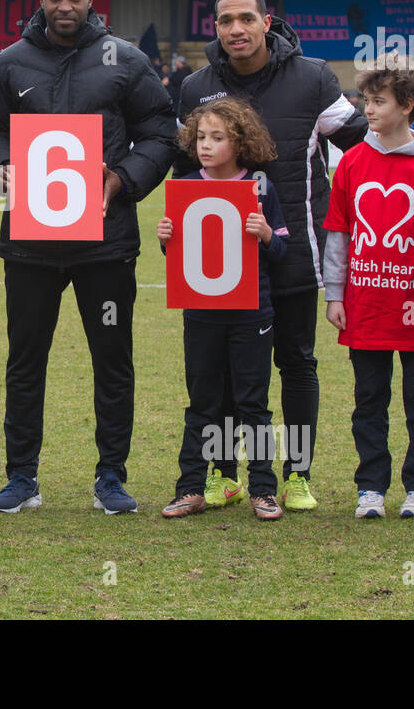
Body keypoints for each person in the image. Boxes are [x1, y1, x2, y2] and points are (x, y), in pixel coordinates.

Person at [0, 0, 175, 514]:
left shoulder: (127, 60)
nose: (64, 7)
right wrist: (1, 164)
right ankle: (22, 477)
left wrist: (123, 179)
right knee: (25, 360)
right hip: (30, 246)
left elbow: (161, 132)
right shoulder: (10, 63)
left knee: (112, 358)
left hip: (105, 246)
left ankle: (111, 477)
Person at [176, 0, 367, 511]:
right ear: (214, 27)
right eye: (224, 21)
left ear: (266, 21)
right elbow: (184, 171)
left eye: (245, 18)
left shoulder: (312, 77)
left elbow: (362, 144)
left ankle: (297, 475)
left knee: (297, 362)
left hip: (295, 252)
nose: (235, 29)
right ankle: (223, 473)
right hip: (220, 265)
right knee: (226, 374)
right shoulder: (196, 87)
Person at [323, 56, 414, 520]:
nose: (368, 110)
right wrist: (335, 294)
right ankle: (371, 488)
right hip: (365, 306)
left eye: (378, 102)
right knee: (369, 400)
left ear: (407, 106)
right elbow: (339, 232)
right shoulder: (351, 163)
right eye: (366, 100)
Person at [157, 99, 289, 522]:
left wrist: (266, 234)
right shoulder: (186, 183)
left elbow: (284, 251)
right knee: (202, 402)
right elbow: (184, 256)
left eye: (217, 138)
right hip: (201, 313)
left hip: (252, 314)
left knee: (254, 404)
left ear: (241, 142)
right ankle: (191, 487)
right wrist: (166, 238)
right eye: (200, 138)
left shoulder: (261, 187)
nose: (206, 146)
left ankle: (264, 490)